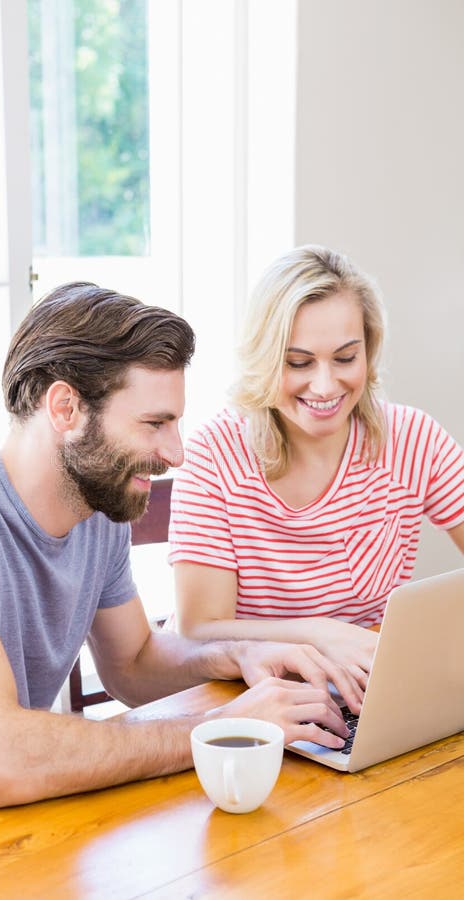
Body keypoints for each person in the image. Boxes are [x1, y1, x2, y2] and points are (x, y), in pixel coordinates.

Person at [0, 282, 363, 808]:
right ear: (65, 409)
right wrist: (220, 726)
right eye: (155, 423)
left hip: (21, 828)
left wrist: (237, 654)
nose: (176, 453)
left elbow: (133, 664)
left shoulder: (96, 510)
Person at [169, 245, 464, 685]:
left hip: (363, 691)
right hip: (240, 698)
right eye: (298, 362)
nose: (325, 386)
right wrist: (319, 634)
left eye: (345, 358)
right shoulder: (216, 454)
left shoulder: (413, 440)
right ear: (265, 359)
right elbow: (198, 631)